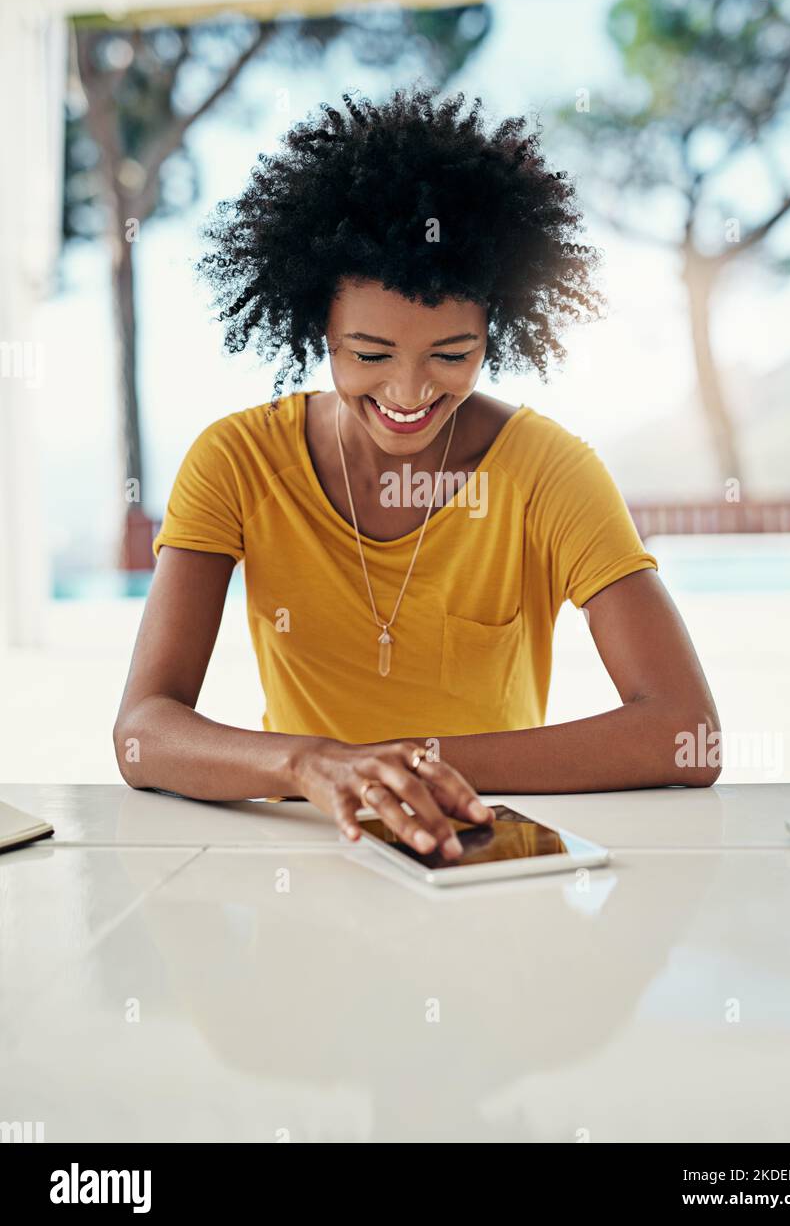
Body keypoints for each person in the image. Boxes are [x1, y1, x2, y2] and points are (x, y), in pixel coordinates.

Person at [114, 89, 721, 860]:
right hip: (307, 852)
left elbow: (686, 735)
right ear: (316, 327)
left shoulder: (548, 471)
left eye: (451, 354)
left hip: (478, 850)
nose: (409, 394)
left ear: (493, 330)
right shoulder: (236, 461)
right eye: (369, 355)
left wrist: (406, 768)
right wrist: (313, 765)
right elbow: (143, 730)